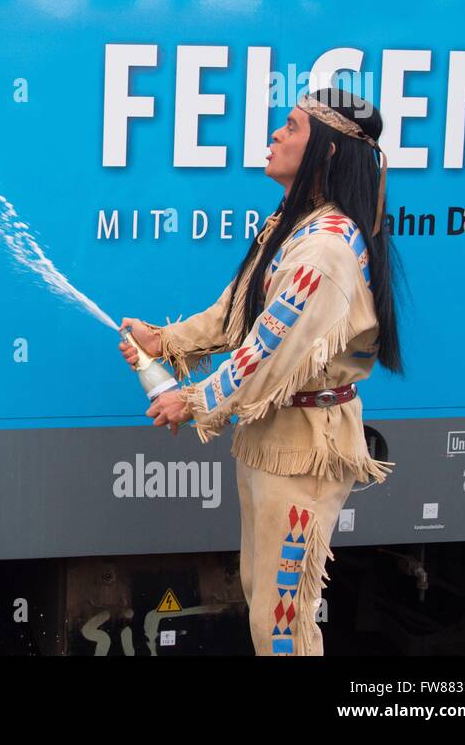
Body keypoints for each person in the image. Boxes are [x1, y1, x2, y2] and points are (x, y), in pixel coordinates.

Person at [119, 86, 402, 656]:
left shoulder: (324, 251)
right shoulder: (297, 227)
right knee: (266, 603)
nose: (276, 134)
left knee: (282, 625)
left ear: (325, 152)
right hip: (275, 439)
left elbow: (267, 351)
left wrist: (194, 401)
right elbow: (240, 313)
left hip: (302, 451)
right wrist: (165, 341)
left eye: (292, 127)